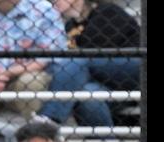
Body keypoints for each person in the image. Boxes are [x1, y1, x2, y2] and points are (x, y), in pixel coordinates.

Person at [38, 0, 141, 130]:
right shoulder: (70, 25)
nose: (54, 1)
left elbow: (98, 54)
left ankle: (49, 119)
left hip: (132, 69)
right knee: (87, 96)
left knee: (78, 60)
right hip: (105, 83)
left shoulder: (107, 11)